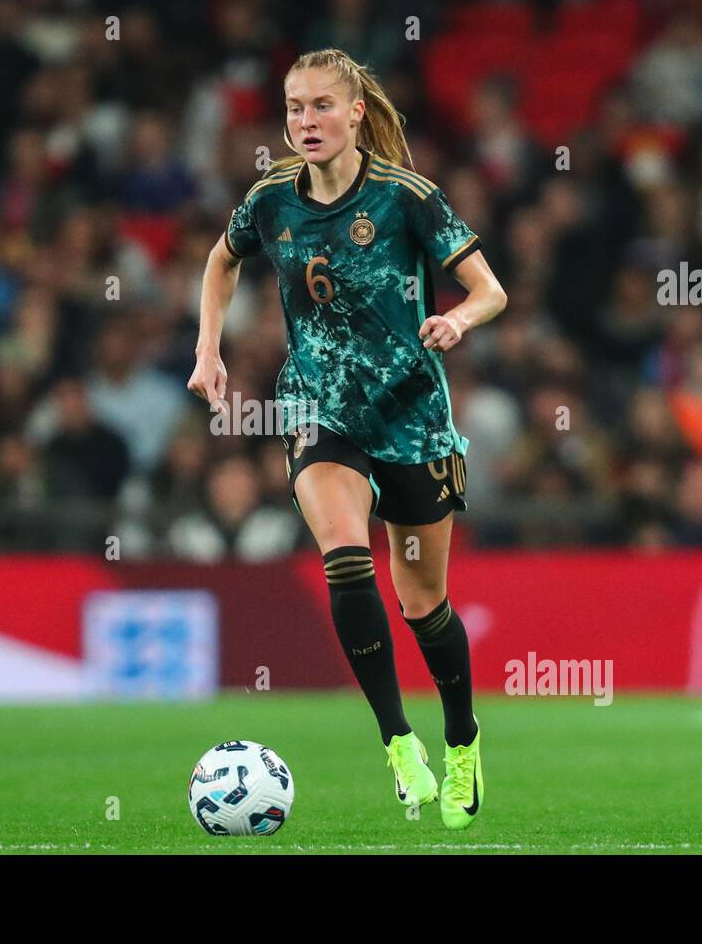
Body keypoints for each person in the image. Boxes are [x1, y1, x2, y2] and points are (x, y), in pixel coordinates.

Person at [187, 49, 507, 829]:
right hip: (319, 409)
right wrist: (207, 349)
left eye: (321, 107)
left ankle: (461, 739)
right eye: (295, 108)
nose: (306, 122)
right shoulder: (270, 200)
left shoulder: (408, 197)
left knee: (423, 601)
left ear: (356, 111)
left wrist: (456, 320)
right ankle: (398, 742)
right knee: (344, 553)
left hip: (410, 414)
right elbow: (222, 261)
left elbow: (490, 289)